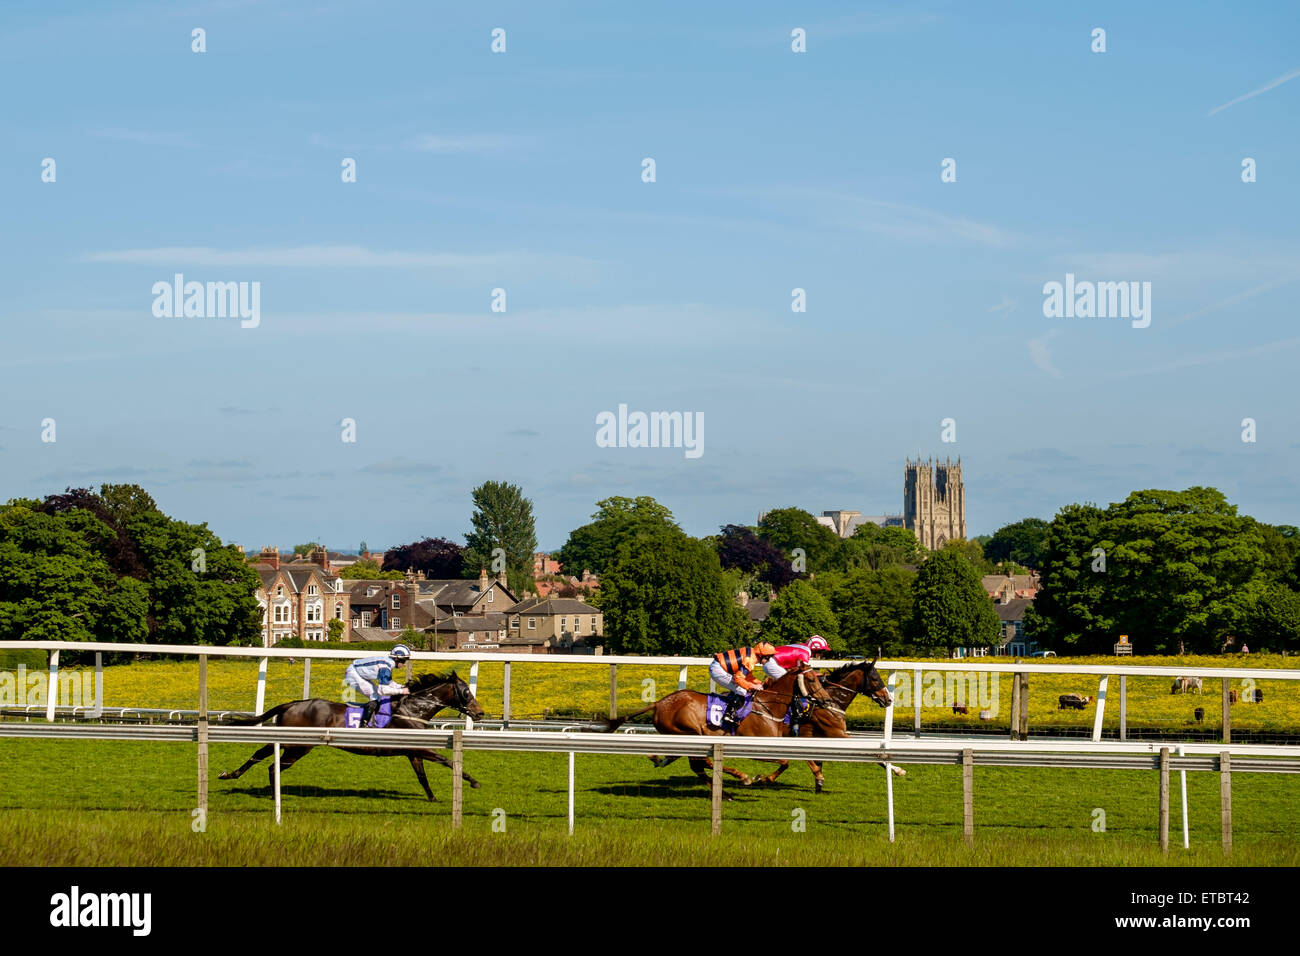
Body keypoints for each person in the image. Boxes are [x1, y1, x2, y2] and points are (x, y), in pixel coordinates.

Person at [710, 642, 776, 730]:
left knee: (742, 688)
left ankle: (730, 706)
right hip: (718, 669)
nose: (769, 660)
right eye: (768, 657)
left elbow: (747, 677)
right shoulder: (750, 660)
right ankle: (728, 715)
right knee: (742, 690)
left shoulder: (752, 654)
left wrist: (759, 683)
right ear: (761, 655)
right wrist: (753, 686)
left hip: (720, 667)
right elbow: (739, 679)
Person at [343, 644, 412, 727]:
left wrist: (402, 687)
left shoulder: (387, 664)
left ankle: (369, 720)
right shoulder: (385, 667)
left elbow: (390, 683)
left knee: (377, 696)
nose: (404, 664)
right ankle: (363, 724)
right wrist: (402, 691)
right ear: (397, 658)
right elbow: (383, 690)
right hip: (353, 674)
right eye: (403, 661)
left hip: (357, 673)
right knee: (375, 695)